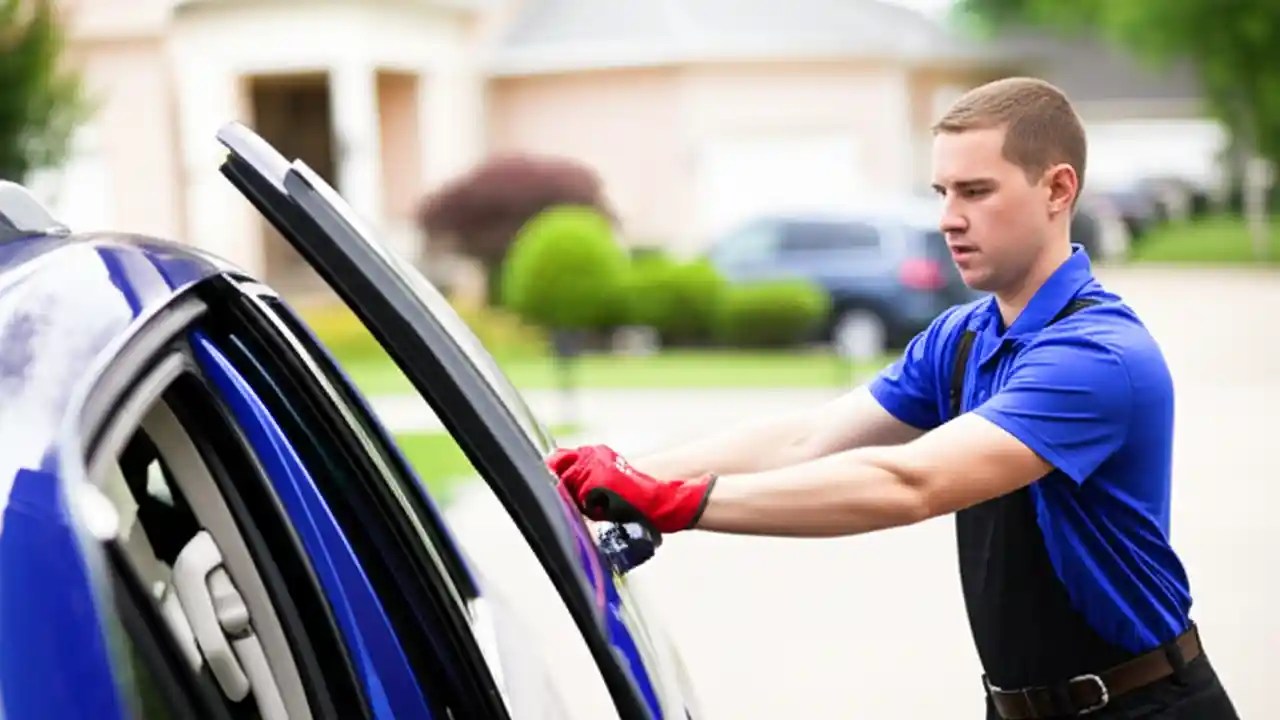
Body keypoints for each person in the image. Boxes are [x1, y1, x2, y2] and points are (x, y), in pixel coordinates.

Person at [546, 77, 1239, 719]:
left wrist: (680, 504)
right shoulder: (965, 337)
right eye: (941, 192)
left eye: (975, 191)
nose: (947, 218)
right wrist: (631, 472)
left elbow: (913, 481)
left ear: (1058, 189)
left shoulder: (1096, 358)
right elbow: (809, 437)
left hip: (1144, 708)